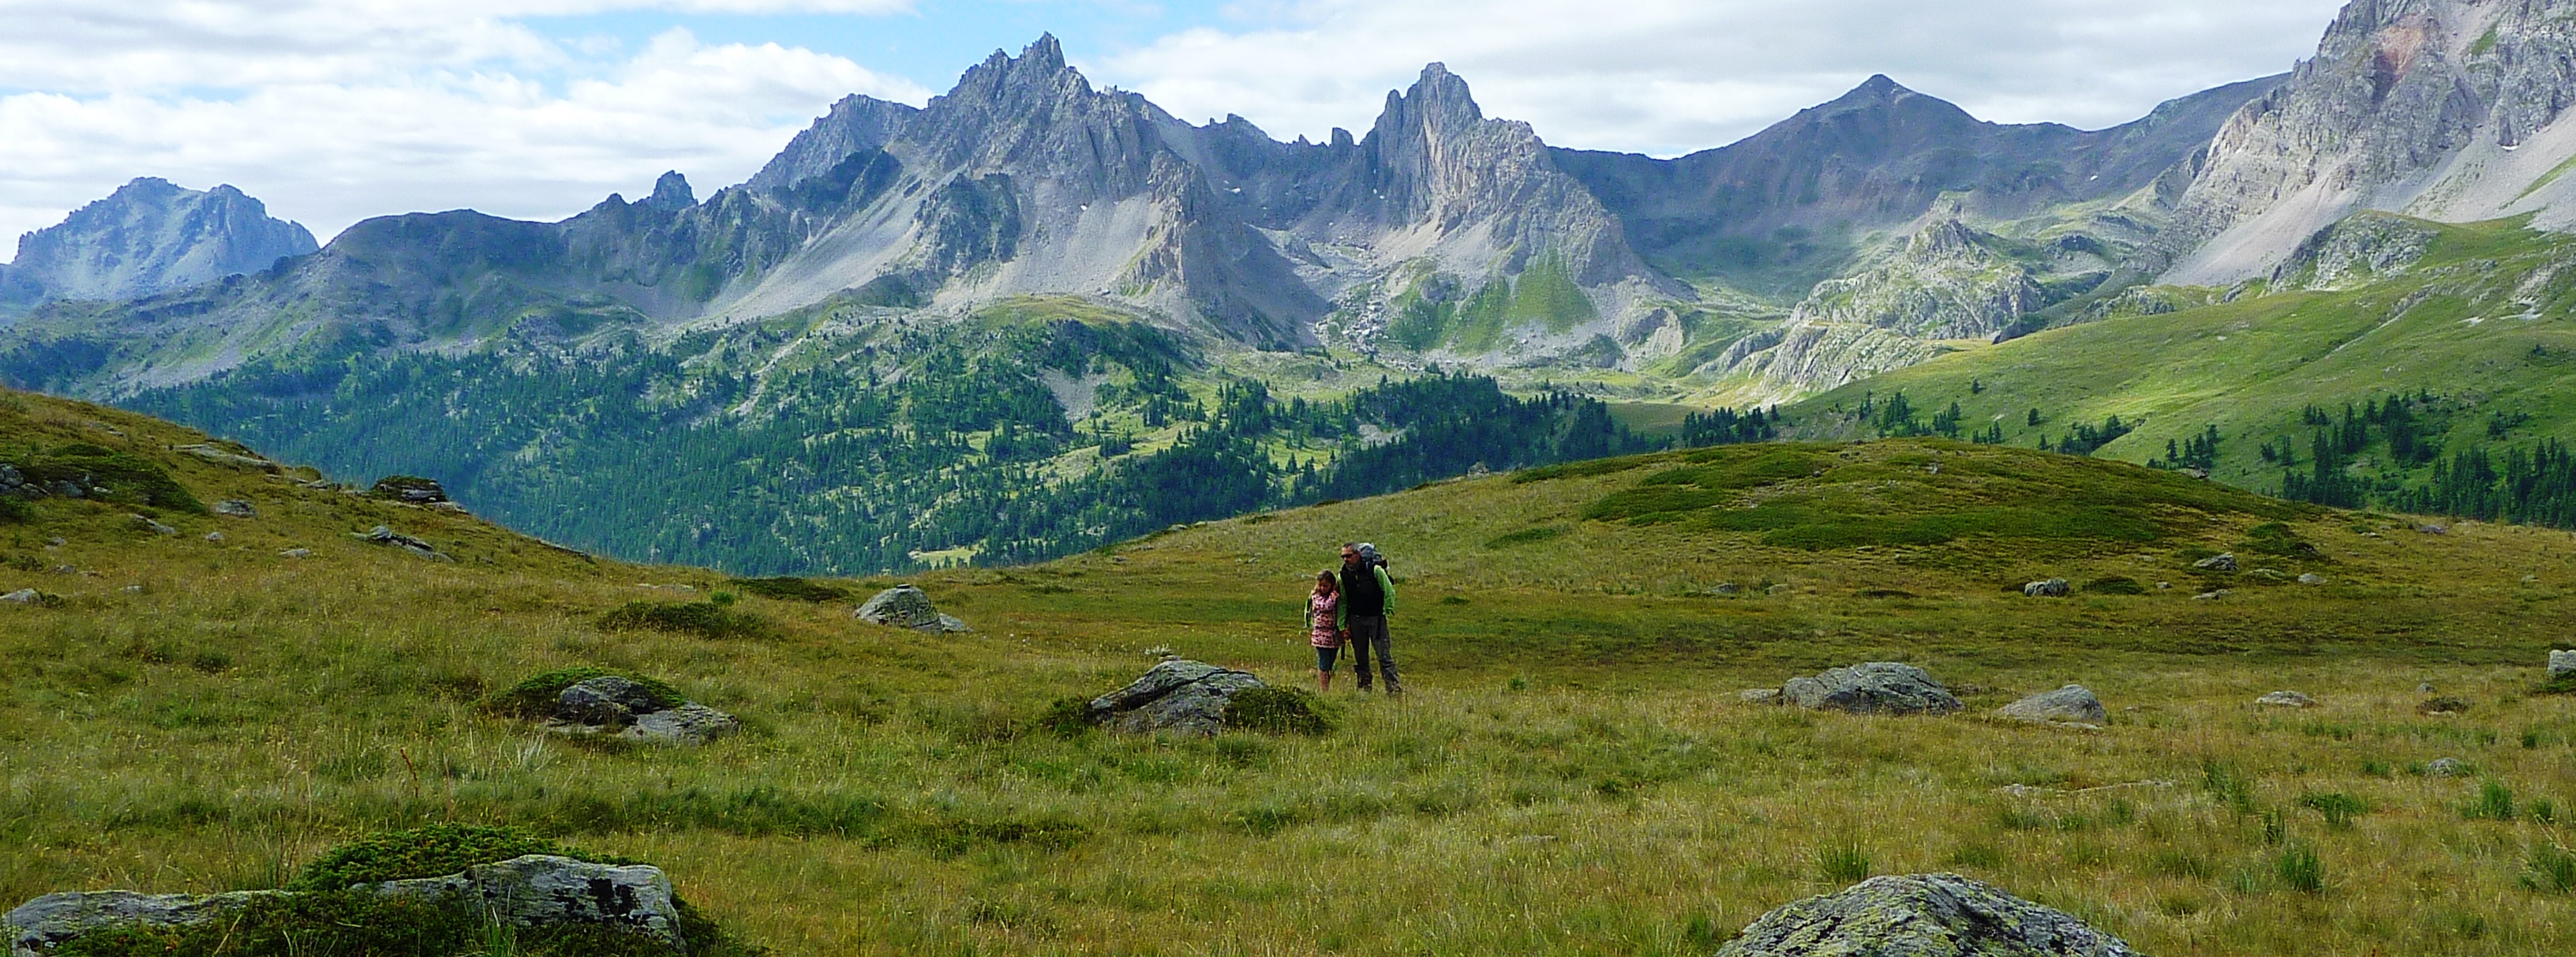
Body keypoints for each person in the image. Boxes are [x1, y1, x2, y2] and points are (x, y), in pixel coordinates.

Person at [1338, 542, 1398, 695]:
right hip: (1356, 620)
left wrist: (1386, 610)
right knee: (1361, 658)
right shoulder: (1343, 575)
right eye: (1343, 556)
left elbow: (1388, 590)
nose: (1345, 559)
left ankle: (1393, 689)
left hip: (1376, 620)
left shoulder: (1375, 570)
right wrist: (1342, 625)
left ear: (1357, 555)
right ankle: (1364, 689)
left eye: (1348, 556)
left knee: (1384, 657)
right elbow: (1343, 601)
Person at [1306, 571, 1343, 692]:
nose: (1323, 588)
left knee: (1330, 663)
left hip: (1333, 635)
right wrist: (1334, 594)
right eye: (1321, 585)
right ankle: (1324, 690)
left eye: (1326, 586)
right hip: (1321, 635)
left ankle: (1327, 685)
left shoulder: (1337, 597)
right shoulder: (1315, 596)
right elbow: (1326, 606)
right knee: (1323, 663)